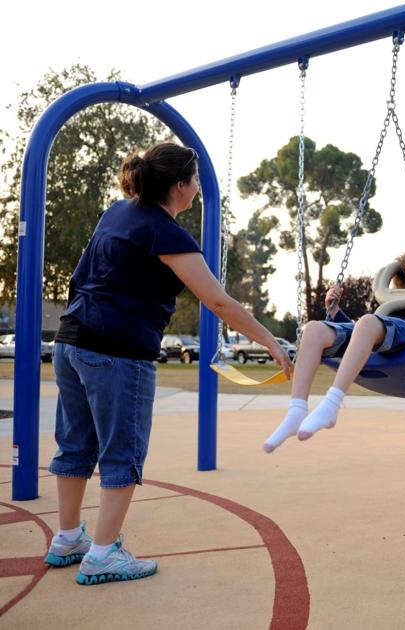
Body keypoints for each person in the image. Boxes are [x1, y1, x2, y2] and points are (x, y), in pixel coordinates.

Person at [44, 142, 293, 584]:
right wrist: (270, 340)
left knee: (76, 444)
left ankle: (68, 538)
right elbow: (217, 299)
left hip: (71, 341)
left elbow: (81, 275)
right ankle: (102, 555)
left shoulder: (117, 212)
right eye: (195, 181)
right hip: (116, 351)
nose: (198, 189)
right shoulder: (167, 233)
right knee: (122, 453)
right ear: (179, 186)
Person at [263, 239, 405, 452]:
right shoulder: (393, 300)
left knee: (368, 321)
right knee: (313, 329)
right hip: (384, 336)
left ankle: (332, 404)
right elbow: (364, 333)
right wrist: (336, 312)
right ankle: (296, 410)